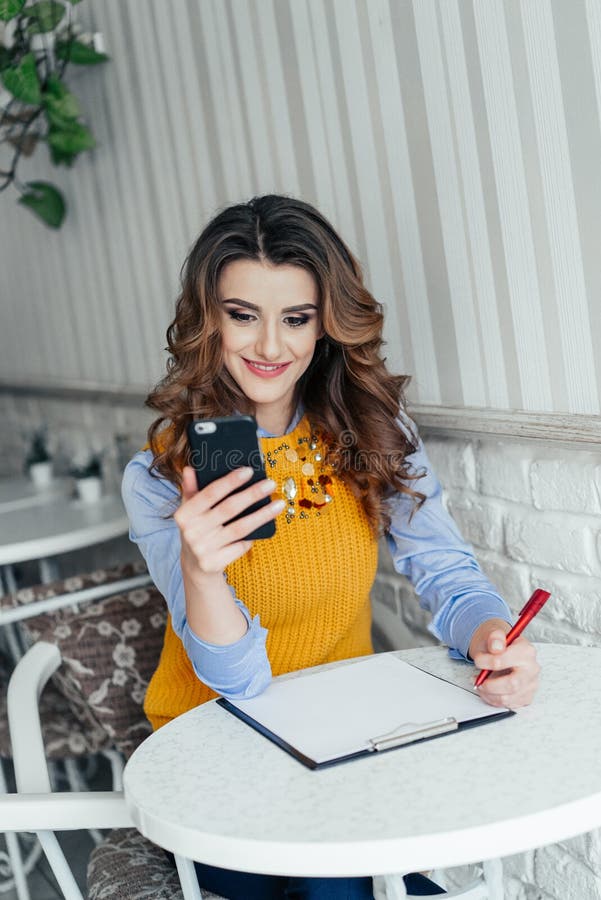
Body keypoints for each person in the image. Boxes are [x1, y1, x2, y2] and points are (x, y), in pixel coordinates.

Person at [122, 195, 540, 900]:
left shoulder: (370, 433)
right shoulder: (163, 475)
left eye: (296, 318)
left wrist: (490, 634)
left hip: (346, 742)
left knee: (355, 873)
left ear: (326, 324)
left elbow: (444, 571)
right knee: (342, 879)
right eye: (242, 315)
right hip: (214, 755)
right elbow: (238, 685)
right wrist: (200, 569)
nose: (268, 346)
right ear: (208, 320)